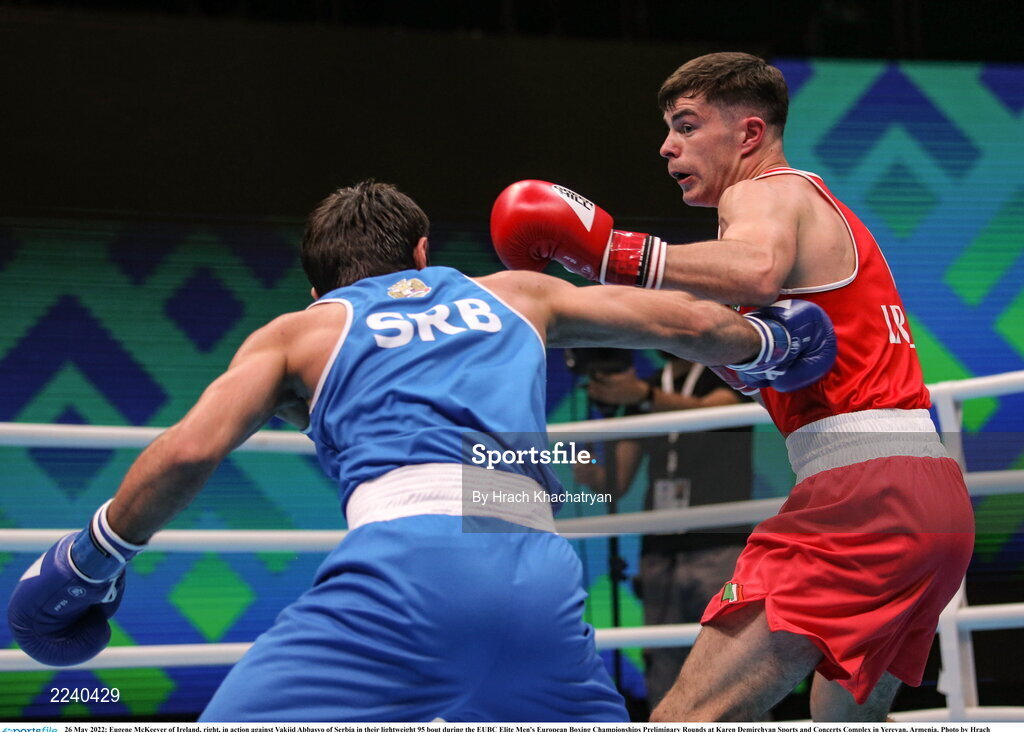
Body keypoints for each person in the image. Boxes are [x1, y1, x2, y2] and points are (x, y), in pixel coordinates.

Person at [7, 180, 836, 722]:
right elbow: (687, 324)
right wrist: (768, 344)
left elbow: (190, 451)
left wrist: (91, 557)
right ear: (422, 254)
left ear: (317, 283)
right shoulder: (515, 293)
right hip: (535, 572)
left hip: (406, 570)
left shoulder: (302, 329)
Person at [489, 52, 976, 722]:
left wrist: (611, 254)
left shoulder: (765, 191)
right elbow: (710, 326)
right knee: (842, 722)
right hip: (931, 497)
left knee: (680, 718)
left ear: (749, 134)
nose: (667, 147)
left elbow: (756, 269)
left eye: (686, 126)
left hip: (865, 496)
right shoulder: (815, 211)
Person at [575, 353, 754, 711]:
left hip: (720, 542)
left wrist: (640, 395)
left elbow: (711, 412)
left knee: (734, 664)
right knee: (663, 666)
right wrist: (586, 438)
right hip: (658, 550)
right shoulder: (650, 385)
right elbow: (614, 481)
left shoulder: (726, 371)